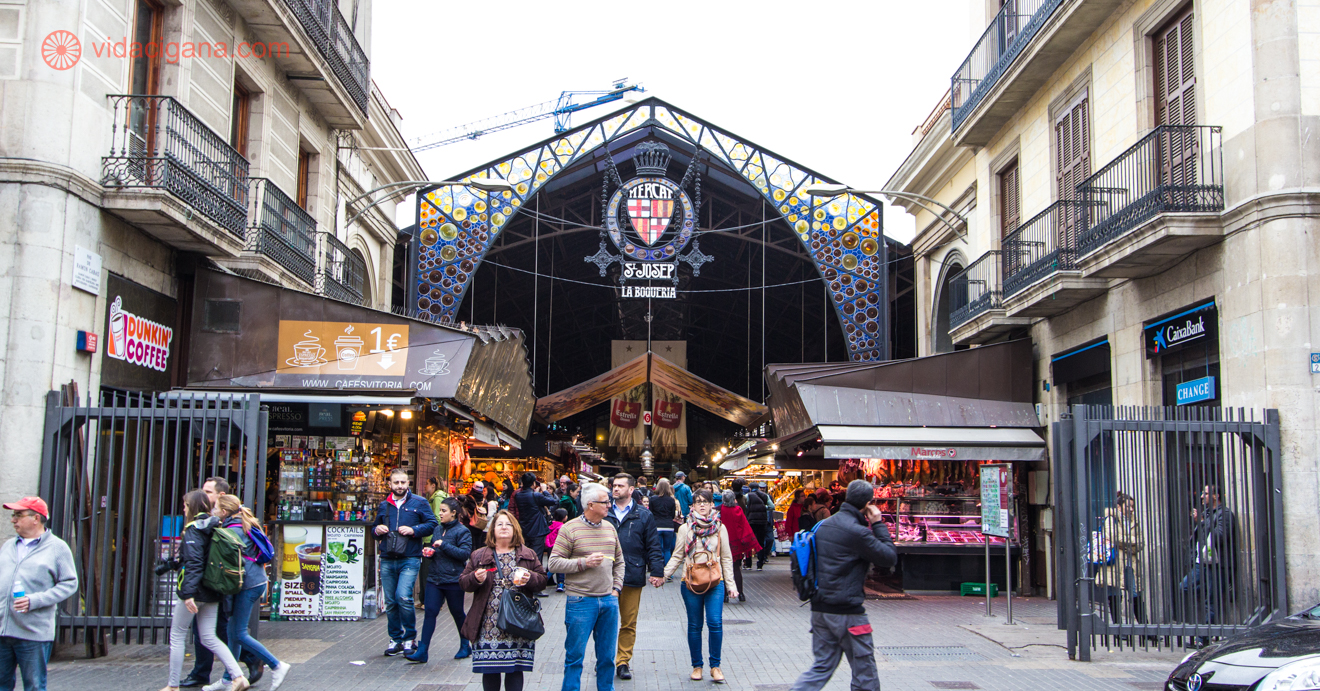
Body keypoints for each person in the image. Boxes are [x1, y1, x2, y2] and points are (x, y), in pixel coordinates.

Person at [789, 480, 896, 691]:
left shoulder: (824, 525)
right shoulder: (859, 532)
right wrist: (877, 524)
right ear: (867, 504)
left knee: (821, 667)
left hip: (820, 609)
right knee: (864, 672)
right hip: (849, 613)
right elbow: (889, 557)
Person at [164, 490, 249, 691]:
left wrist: (188, 594)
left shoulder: (194, 529)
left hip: (196, 591)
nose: (183, 509)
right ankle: (238, 676)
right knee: (209, 637)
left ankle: (172, 685)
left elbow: (194, 564)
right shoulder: (215, 526)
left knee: (177, 635)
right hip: (213, 590)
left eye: (185, 505)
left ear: (191, 507)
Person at [184, 479, 261, 688]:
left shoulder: (217, 521)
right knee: (211, 629)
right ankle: (206, 671)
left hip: (217, 581)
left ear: (221, 496)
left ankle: (249, 659)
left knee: (218, 629)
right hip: (211, 580)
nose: (203, 495)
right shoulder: (211, 519)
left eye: (208, 491)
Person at [459, 511, 548, 691]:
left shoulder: (527, 554)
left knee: (515, 669)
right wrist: (475, 578)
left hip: (518, 621)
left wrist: (529, 578)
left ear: (515, 529)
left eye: (508, 524)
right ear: (492, 530)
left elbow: (542, 581)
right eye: (499, 524)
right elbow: (463, 582)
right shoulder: (479, 555)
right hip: (487, 623)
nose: (504, 527)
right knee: (490, 670)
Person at [548, 483, 624, 691]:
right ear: (590, 505)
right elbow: (553, 564)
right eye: (605, 502)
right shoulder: (569, 529)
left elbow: (619, 561)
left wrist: (616, 588)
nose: (610, 505)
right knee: (574, 657)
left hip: (608, 601)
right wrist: (584, 563)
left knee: (607, 658)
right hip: (580, 601)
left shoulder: (610, 527)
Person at [212, 495, 292, 691]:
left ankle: (276, 664)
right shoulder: (244, 524)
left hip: (248, 584)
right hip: (254, 581)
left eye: (215, 507)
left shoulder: (232, 531)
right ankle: (229, 678)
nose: (212, 510)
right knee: (233, 632)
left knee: (238, 632)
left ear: (224, 512)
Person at [1, 497, 77, 691]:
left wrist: (34, 601)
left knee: (34, 686)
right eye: (13, 515)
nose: (13, 520)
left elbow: (70, 583)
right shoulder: (9, 546)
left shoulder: (57, 548)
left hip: (33, 634)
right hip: (3, 631)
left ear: (36, 518)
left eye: (18, 515)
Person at [662, 490, 736, 684]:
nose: (702, 505)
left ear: (713, 504)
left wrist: (731, 585)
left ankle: (715, 666)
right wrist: (663, 575)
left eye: (706, 501)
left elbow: (727, 558)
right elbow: (678, 555)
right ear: (692, 506)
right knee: (695, 625)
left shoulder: (720, 528)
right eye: (698, 502)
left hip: (715, 582)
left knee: (715, 623)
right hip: (690, 583)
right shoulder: (686, 529)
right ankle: (697, 666)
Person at [373, 469, 439, 657]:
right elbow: (373, 530)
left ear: (408, 483)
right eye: (396, 483)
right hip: (387, 557)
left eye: (403, 482)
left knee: (403, 597)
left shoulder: (419, 502)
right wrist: (377, 529)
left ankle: (410, 638)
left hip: (410, 557)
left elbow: (433, 524)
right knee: (391, 601)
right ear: (390, 484)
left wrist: (414, 530)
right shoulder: (384, 505)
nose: (400, 486)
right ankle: (396, 639)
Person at [603, 474, 663, 680]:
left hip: (632, 573)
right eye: (614, 485)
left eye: (620, 486)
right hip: (604, 576)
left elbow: (653, 545)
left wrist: (657, 571)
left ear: (631, 490)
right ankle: (605, 659)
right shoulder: (603, 511)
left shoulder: (643, 515)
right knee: (604, 622)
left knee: (628, 622)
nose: (615, 489)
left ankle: (622, 661)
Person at [408, 497, 473, 663]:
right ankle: (423, 650)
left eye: (443, 511)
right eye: (440, 511)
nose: (440, 514)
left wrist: (443, 545)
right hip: (434, 578)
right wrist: (430, 552)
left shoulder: (462, 531)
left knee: (457, 612)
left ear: (454, 513)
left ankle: (465, 644)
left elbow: (464, 554)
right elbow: (434, 547)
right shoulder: (437, 529)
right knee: (430, 612)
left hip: (453, 579)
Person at [1183, 484, 1235, 641]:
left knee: (1210, 601)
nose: (1201, 497)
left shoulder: (1224, 514)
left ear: (1215, 496)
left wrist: (1203, 521)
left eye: (1204, 493)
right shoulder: (1206, 513)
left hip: (1215, 563)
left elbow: (1220, 536)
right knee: (1185, 586)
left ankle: (1204, 638)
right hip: (1201, 563)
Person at [1096, 492, 1143, 626]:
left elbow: (1141, 544)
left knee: (1136, 594)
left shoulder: (1135, 521)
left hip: (1131, 564)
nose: (1132, 509)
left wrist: (1128, 544)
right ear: (1119, 507)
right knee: (1116, 595)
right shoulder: (1111, 520)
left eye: (1133, 506)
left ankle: (1145, 627)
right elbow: (1114, 537)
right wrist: (1132, 542)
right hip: (1115, 564)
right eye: (1129, 506)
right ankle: (1118, 627)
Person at [718, 490, 759, 603]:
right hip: (736, 543)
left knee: (723, 568)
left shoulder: (720, 510)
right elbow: (744, 525)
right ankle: (740, 593)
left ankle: (725, 594)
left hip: (723, 543)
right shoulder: (738, 510)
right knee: (736, 568)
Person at [513, 473, 559, 563]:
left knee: (525, 555)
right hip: (538, 530)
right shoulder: (536, 495)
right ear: (533, 483)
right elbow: (553, 501)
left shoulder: (518, 496)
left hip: (524, 529)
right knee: (537, 557)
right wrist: (545, 491)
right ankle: (536, 575)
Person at [650, 479, 679, 567]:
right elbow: (673, 514)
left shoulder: (653, 499)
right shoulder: (671, 500)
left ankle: (658, 569)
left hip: (657, 526)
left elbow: (650, 513)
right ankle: (668, 572)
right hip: (669, 526)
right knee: (667, 549)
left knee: (658, 549)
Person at [744, 483, 773, 570]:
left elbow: (744, 505)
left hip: (751, 521)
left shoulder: (748, 495)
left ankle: (748, 564)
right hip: (762, 521)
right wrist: (764, 508)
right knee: (760, 542)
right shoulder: (765, 496)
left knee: (749, 542)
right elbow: (772, 506)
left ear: (750, 488)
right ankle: (760, 564)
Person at [546, 508, 569, 592]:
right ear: (564, 517)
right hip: (560, 548)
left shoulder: (550, 525)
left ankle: (545, 578)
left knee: (552, 564)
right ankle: (560, 583)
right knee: (560, 566)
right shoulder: (563, 527)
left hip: (550, 547)